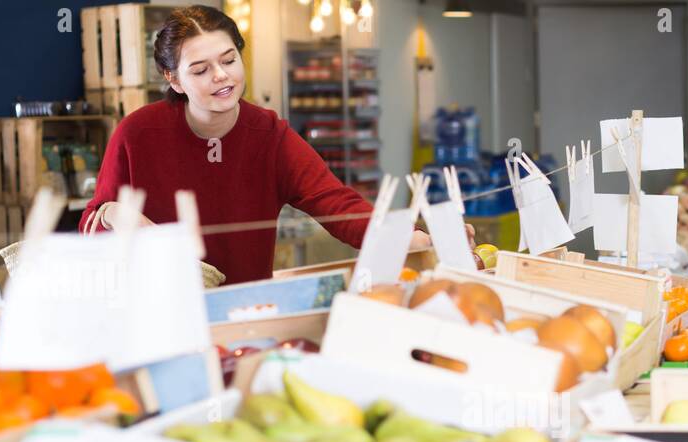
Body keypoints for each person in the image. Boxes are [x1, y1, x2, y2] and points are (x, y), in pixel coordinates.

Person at [81, 5, 462, 284]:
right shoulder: (137, 133)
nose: (221, 76)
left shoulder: (269, 135)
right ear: (173, 79)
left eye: (229, 60)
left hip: (247, 309)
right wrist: (114, 213)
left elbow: (337, 205)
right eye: (200, 70)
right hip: (158, 313)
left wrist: (415, 236)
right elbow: (90, 226)